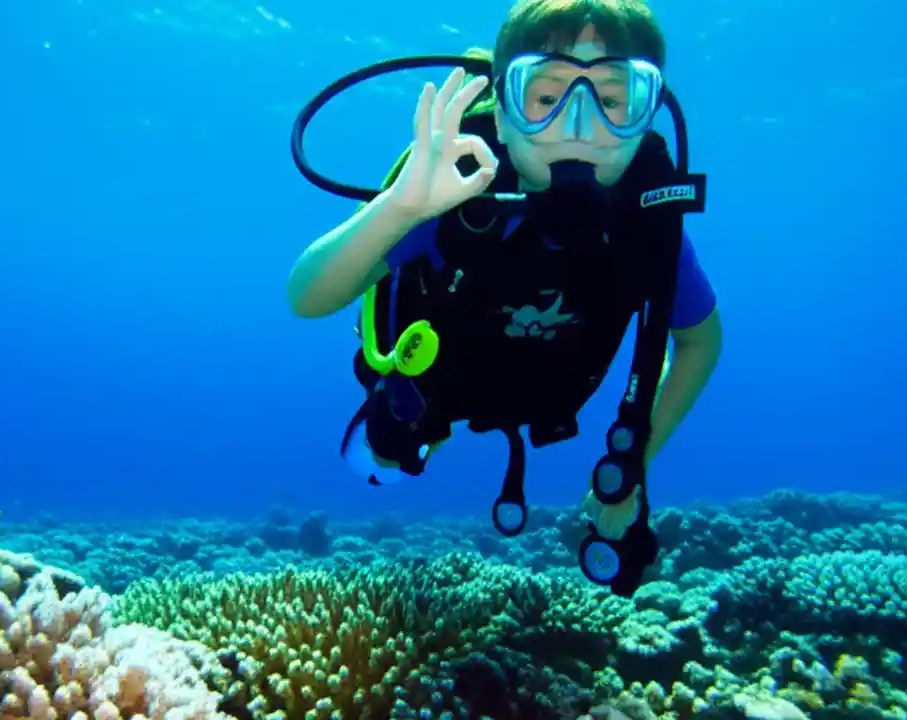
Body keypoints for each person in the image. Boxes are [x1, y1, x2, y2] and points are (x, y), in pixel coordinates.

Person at [286, 0, 721, 595]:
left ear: (647, 116)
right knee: (381, 459)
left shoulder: (648, 223)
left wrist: (637, 460)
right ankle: (409, 428)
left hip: (552, 392)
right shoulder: (454, 189)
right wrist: (401, 207)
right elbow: (306, 296)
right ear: (505, 112)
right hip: (437, 378)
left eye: (613, 101)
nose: (579, 126)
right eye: (545, 98)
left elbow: (701, 340)